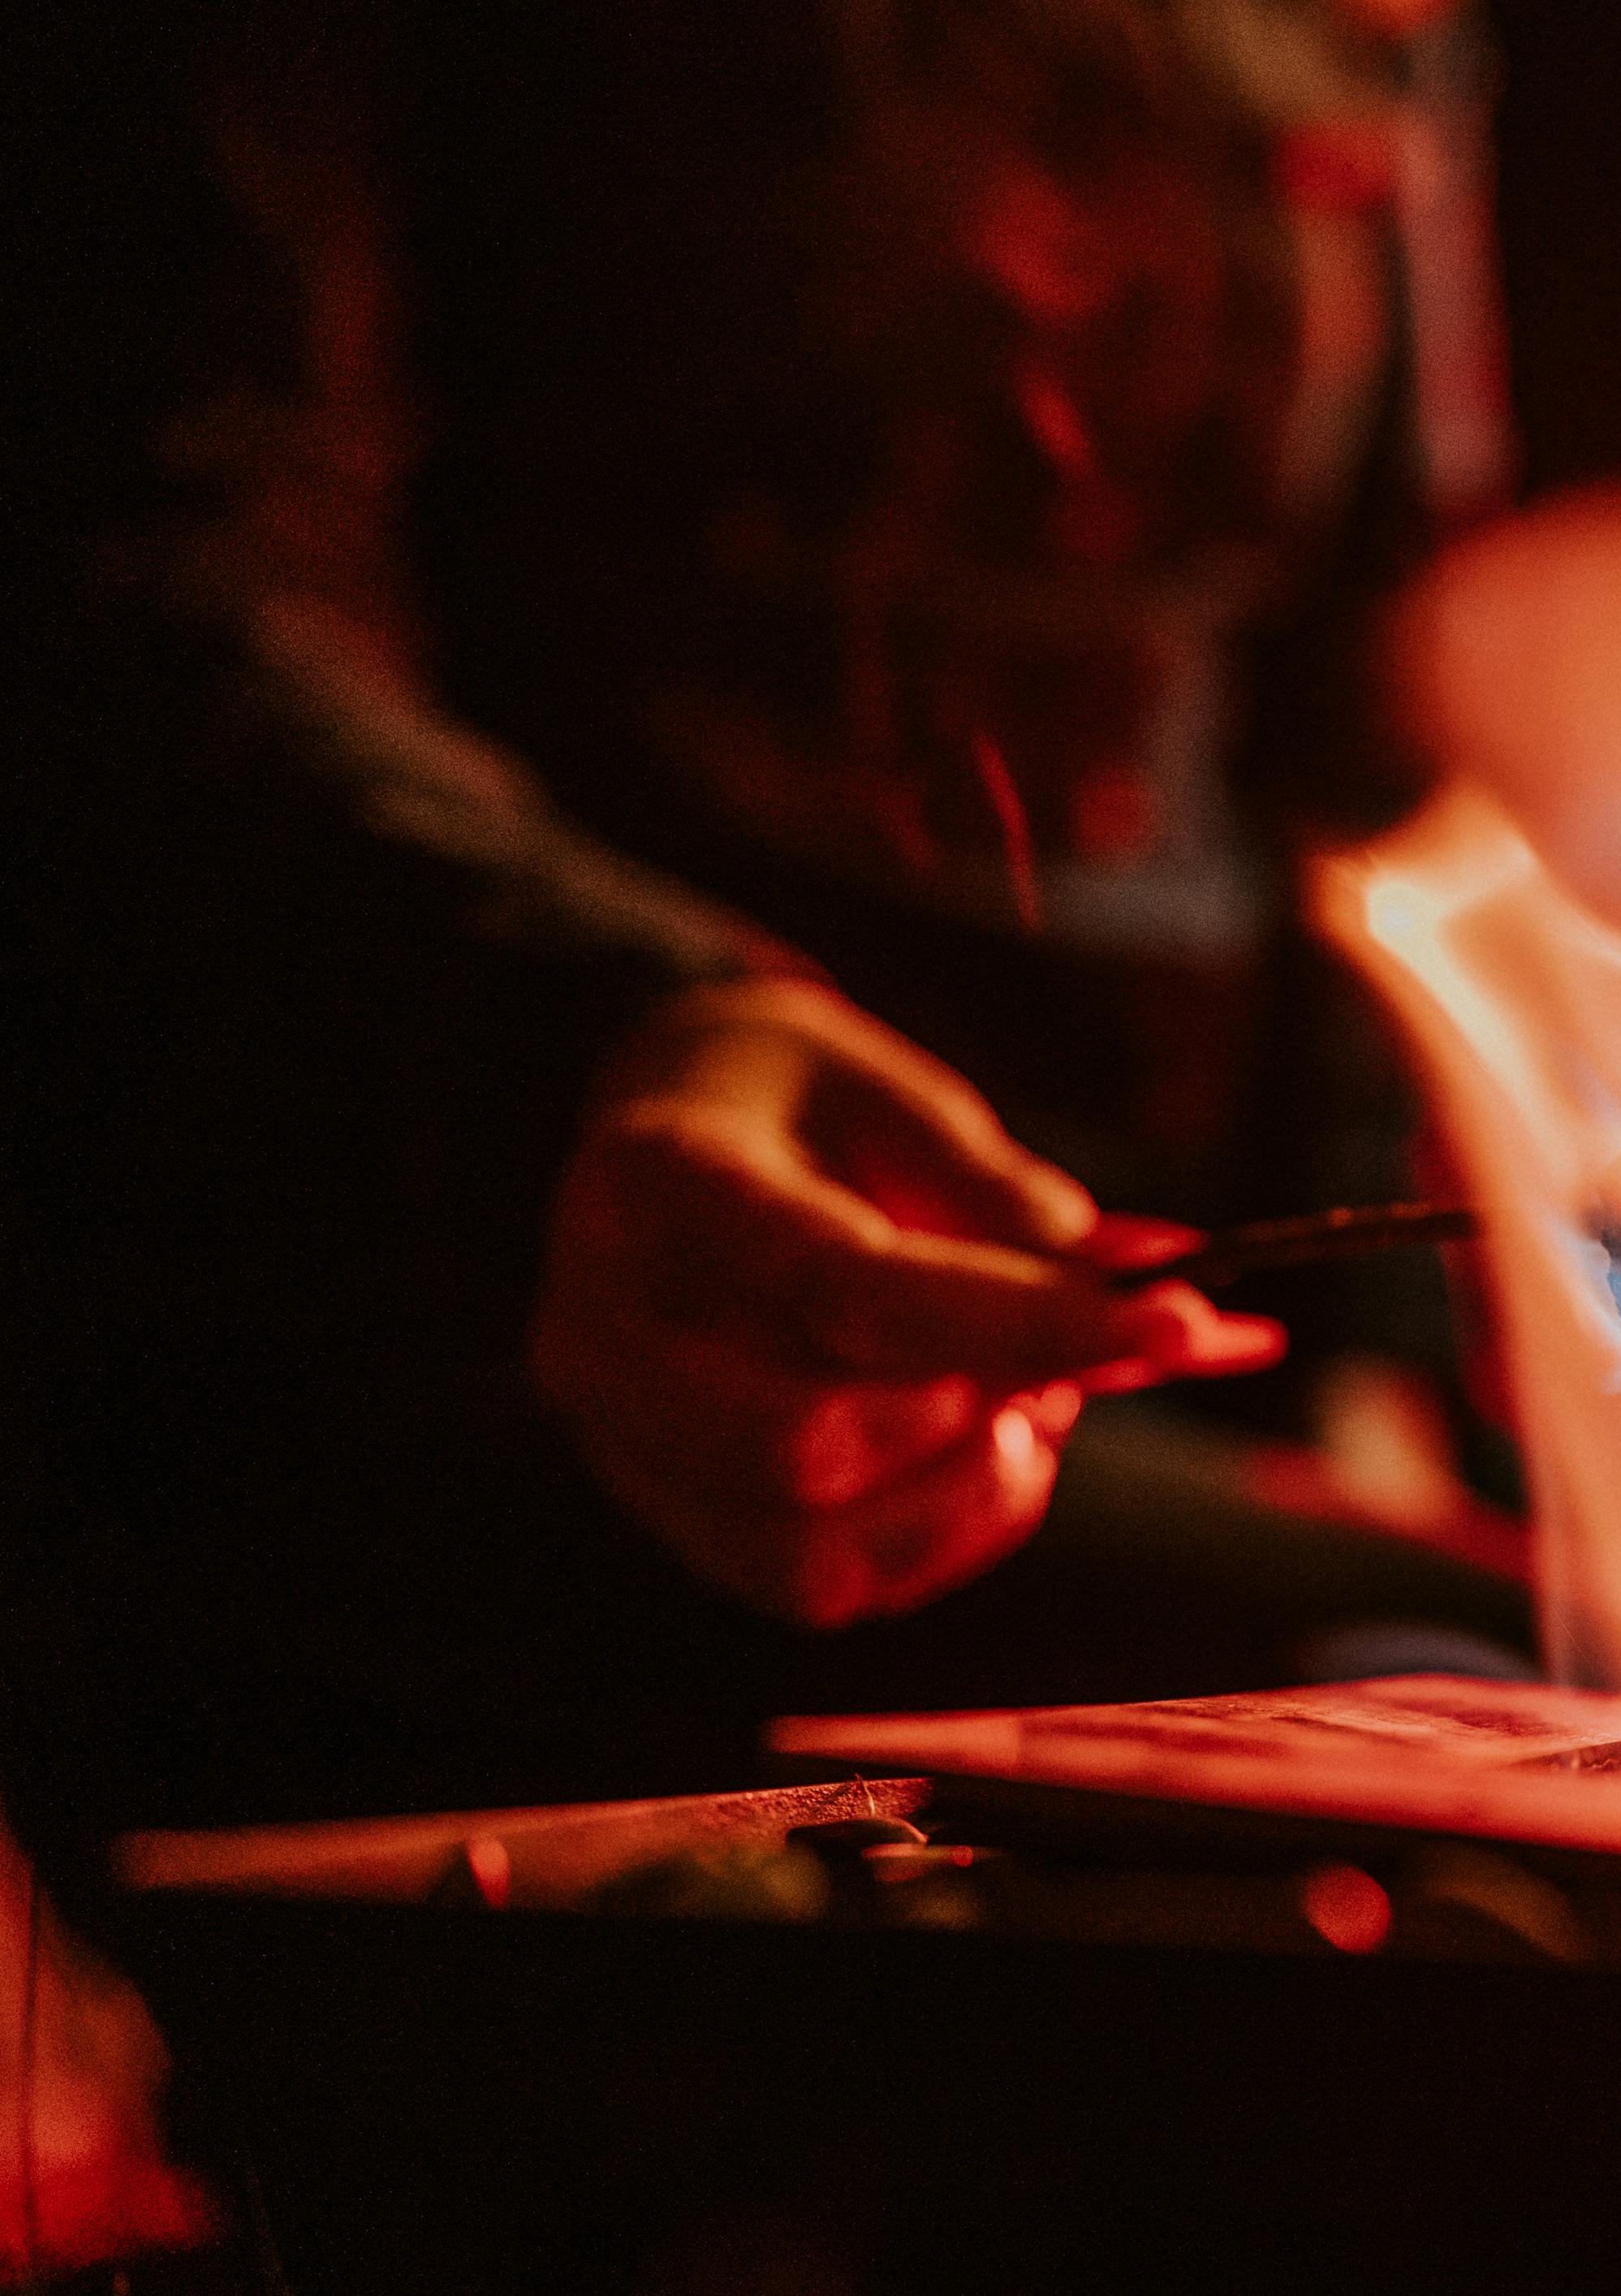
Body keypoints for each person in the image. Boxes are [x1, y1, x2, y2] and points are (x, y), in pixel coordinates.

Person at [1, 0, 1536, 1910]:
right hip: (513, 1321)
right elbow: (151, 578)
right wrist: (626, 1026)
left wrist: (1366, 1380)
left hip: (1176, 1364)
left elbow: (1359, 690)